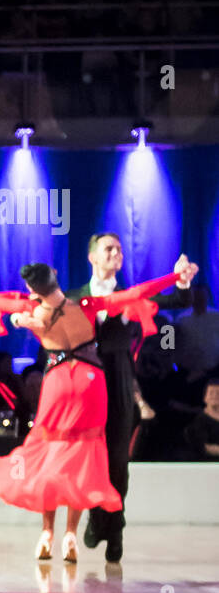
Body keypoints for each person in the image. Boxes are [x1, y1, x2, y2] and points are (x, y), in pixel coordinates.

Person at [0, 260, 191, 563]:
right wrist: (174, 276)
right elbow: (138, 293)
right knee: (82, 456)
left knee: (49, 455)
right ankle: (71, 535)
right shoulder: (87, 305)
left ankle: (47, 533)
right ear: (56, 276)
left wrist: (21, 314)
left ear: (32, 287)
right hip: (90, 384)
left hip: (57, 384)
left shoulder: (32, 310)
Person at [70, 233, 196, 561]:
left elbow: (176, 301)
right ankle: (98, 518)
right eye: (109, 248)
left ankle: (115, 531)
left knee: (117, 460)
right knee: (90, 457)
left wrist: (181, 281)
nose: (116, 253)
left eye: (120, 250)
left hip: (120, 382)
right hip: (85, 386)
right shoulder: (73, 297)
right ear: (92, 257)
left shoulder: (131, 296)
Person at [183, 379, 219, 460]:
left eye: (218, 393)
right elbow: (204, 448)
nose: (215, 396)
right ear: (205, 398)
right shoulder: (200, 420)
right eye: (211, 393)